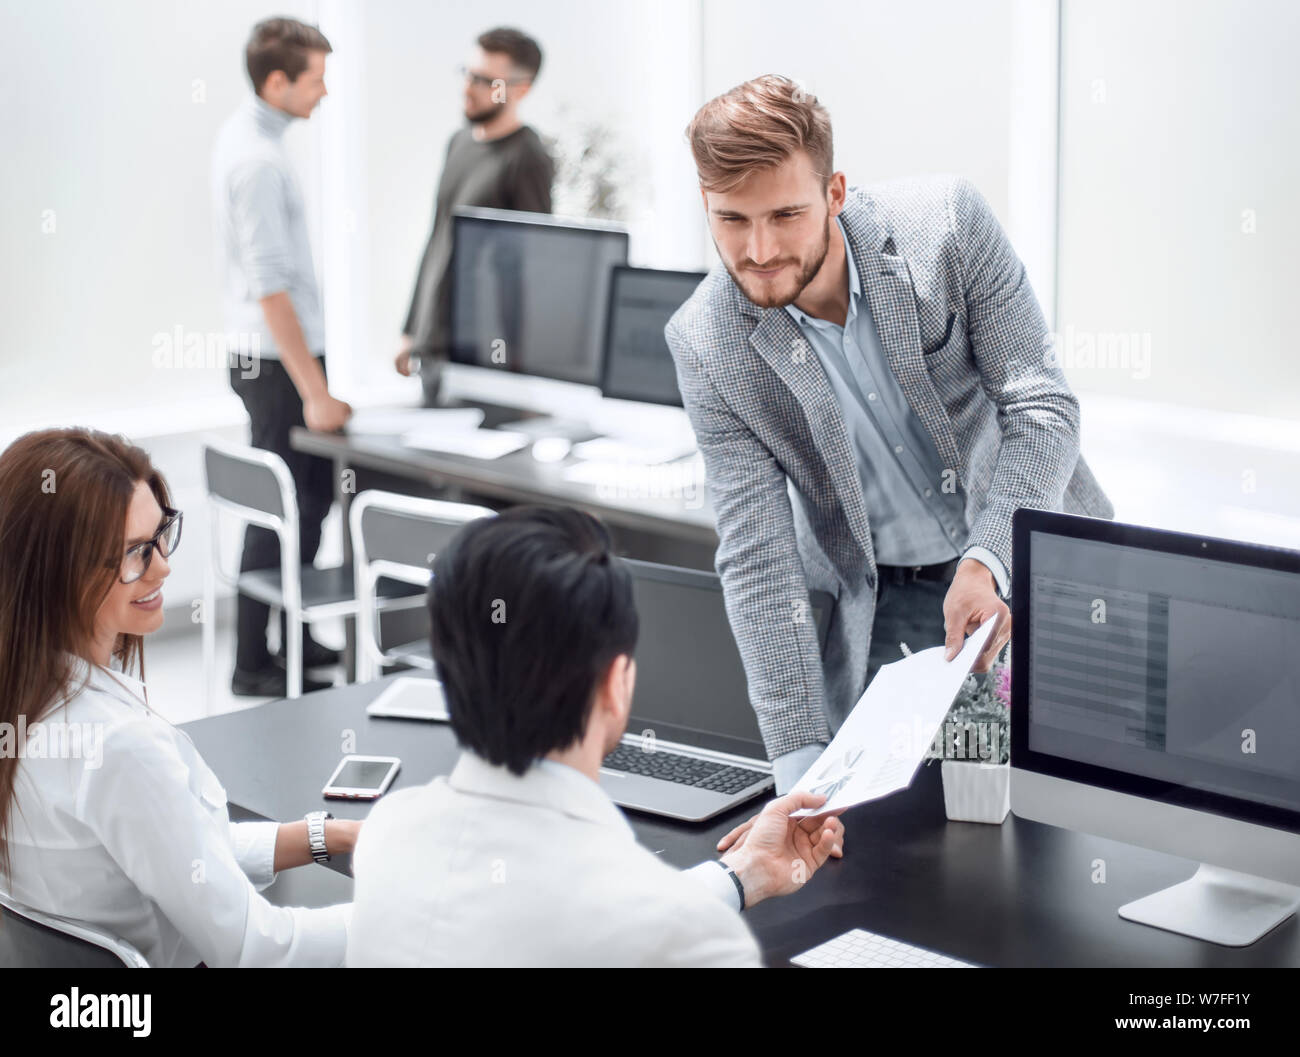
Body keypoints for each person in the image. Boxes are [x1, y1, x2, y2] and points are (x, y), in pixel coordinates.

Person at [666, 75, 1114, 795]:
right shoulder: (706, 342)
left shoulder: (945, 226)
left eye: (786, 214)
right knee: (915, 842)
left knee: (1084, 793)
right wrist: (796, 767)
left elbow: (1042, 408)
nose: (759, 249)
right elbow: (758, 559)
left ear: (836, 193)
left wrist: (989, 558)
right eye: (732, 220)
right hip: (888, 602)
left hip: (1031, 549)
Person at [347, 505, 845, 967]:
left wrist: (743, 875)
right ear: (617, 683)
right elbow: (633, 920)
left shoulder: (389, 836)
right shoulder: (700, 944)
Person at [0, 428, 357, 967]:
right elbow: (257, 950)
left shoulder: (25, 697)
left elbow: (178, 854)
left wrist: (319, 837)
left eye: (162, 534)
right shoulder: (117, 747)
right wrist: (406, 909)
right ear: (58, 572)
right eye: (135, 553)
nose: (164, 566)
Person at [212, 17, 351, 697]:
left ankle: (293, 635)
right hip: (274, 363)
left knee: (309, 497)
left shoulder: (254, 140)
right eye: (315, 79)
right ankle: (252, 662)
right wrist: (315, 391)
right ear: (278, 81)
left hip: (268, 359)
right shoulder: (258, 161)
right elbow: (271, 288)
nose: (324, 93)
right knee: (286, 503)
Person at [396, 26, 555, 399]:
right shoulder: (458, 143)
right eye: (467, 74)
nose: (468, 87)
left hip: (486, 353)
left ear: (522, 89)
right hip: (435, 341)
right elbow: (437, 238)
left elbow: (530, 267)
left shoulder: (528, 157)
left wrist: (520, 365)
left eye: (485, 80)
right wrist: (410, 329)